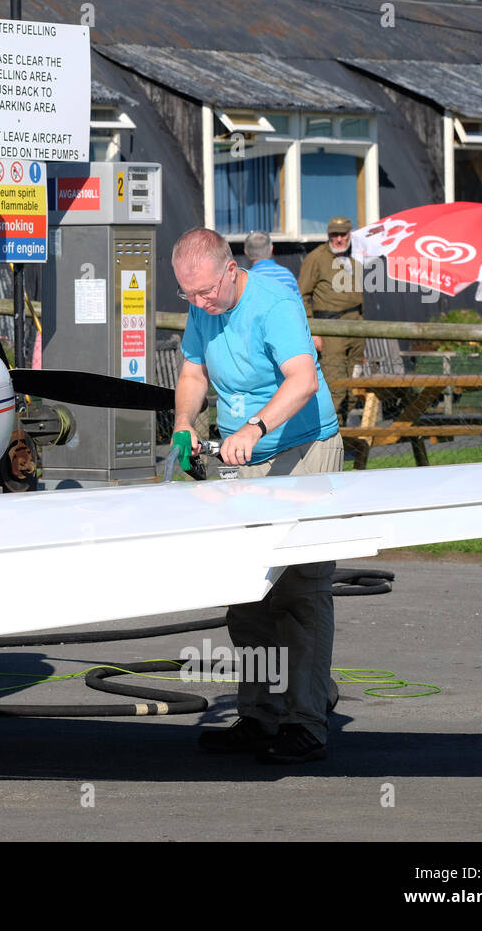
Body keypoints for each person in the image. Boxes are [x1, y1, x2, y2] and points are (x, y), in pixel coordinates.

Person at [171, 227, 342, 764]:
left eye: (205, 293)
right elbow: (194, 371)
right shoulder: (203, 307)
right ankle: (259, 713)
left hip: (300, 446)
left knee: (301, 588)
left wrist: (255, 428)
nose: (199, 304)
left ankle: (306, 720)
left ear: (230, 270)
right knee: (247, 592)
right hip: (243, 456)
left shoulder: (274, 304)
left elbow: (302, 380)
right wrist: (182, 423)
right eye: (188, 295)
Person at [299, 216, 363, 422]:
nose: (338, 239)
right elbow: (302, 295)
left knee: (355, 379)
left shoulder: (355, 257)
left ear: (349, 235)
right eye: (334, 235)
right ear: (328, 236)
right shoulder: (316, 258)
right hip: (330, 326)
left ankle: (351, 435)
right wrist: (314, 330)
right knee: (334, 383)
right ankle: (330, 431)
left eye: (342, 235)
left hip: (356, 325)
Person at [244, 230, 321, 354]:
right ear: (271, 249)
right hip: (289, 336)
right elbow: (300, 308)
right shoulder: (287, 274)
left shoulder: (248, 279)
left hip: (261, 341)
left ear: (246, 252)